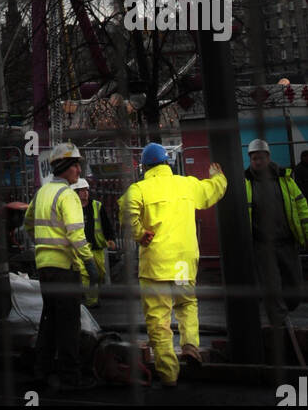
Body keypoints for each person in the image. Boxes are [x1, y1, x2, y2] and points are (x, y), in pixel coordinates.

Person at [120, 143, 225, 386]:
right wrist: (218, 177)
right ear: (167, 162)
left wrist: (139, 233)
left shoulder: (139, 189)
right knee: (187, 304)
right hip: (182, 262)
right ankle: (190, 345)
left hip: (156, 263)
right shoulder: (186, 184)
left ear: (144, 167)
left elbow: (125, 211)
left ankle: (168, 374)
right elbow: (212, 191)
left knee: (158, 319)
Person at [24, 142, 99, 392]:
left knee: (50, 322)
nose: (79, 169)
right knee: (69, 325)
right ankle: (71, 379)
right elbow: (77, 236)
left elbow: (27, 223)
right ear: (65, 166)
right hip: (65, 270)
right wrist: (89, 263)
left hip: (45, 269)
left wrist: (43, 247)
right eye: (76, 164)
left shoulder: (42, 192)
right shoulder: (68, 196)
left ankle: (41, 373)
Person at [244, 138, 308, 332]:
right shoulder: (246, 183)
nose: (258, 162)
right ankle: (279, 325)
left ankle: (284, 312)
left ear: (268, 157)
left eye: (261, 158)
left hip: (286, 241)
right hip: (262, 244)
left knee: (295, 287)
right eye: (254, 158)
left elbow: (302, 206)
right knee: (271, 286)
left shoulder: (284, 180)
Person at [71, 178, 116, 307]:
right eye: (82, 190)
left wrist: (110, 238)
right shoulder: (71, 207)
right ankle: (92, 301)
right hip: (80, 248)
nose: (85, 193)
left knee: (99, 274)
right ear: (75, 192)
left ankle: (93, 295)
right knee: (85, 275)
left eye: (86, 190)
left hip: (96, 247)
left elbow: (106, 223)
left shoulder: (96, 206)